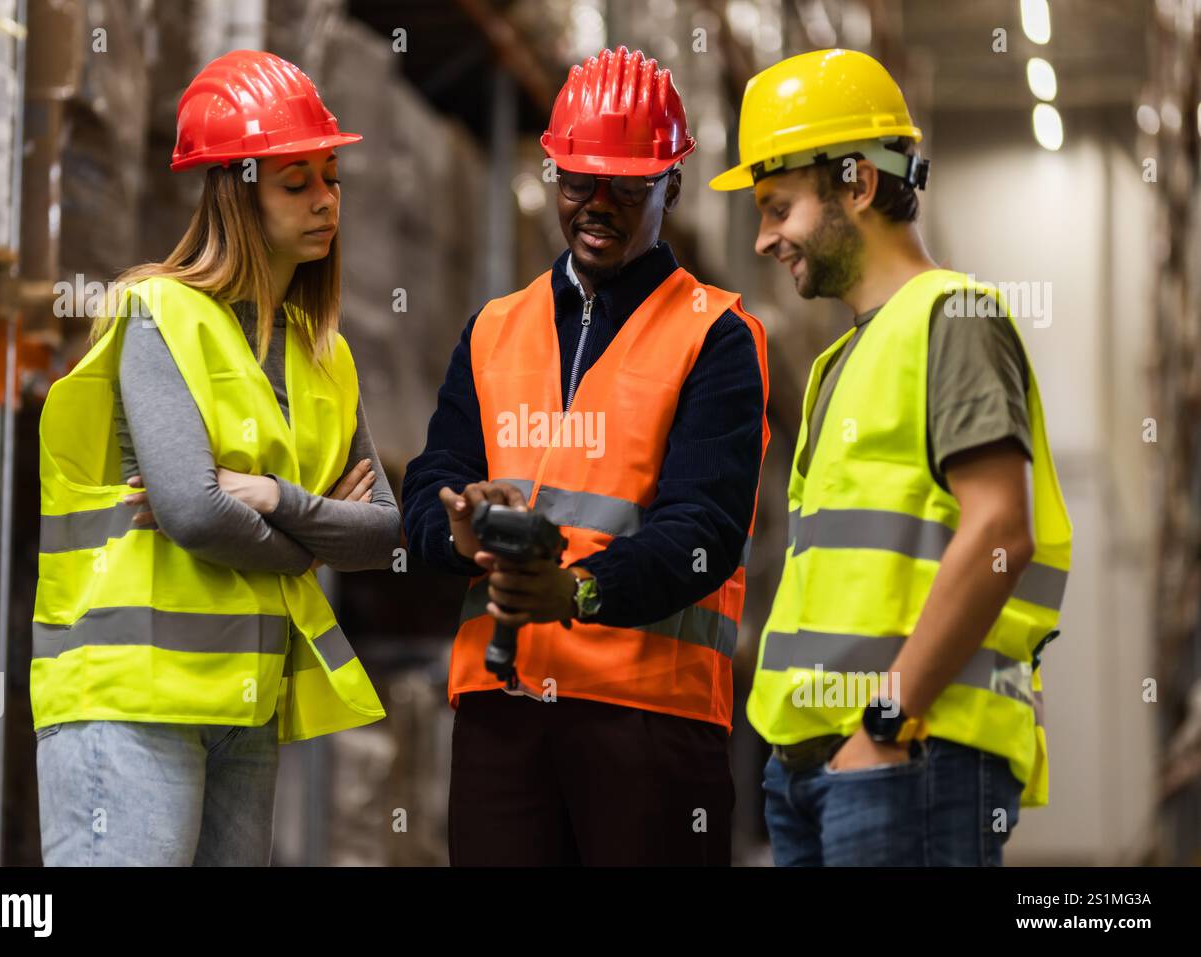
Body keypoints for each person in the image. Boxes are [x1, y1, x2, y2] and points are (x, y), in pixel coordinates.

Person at [402, 45, 770, 866]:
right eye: (577, 182)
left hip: (651, 726)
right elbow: (429, 483)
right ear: (551, 173)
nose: (596, 205)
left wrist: (578, 587)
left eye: (626, 185)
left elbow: (705, 527)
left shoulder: (715, 336)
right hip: (502, 716)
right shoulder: (494, 327)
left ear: (671, 183)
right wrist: (455, 529)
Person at [31, 49, 399, 866]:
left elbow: (383, 535)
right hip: (128, 702)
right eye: (294, 181)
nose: (325, 200)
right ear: (237, 190)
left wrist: (267, 495)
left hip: (246, 705)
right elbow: (195, 512)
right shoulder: (158, 312)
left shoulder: (323, 354)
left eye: (331, 177)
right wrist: (310, 533)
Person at [710, 48, 1073, 866]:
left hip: (910, 754)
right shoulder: (842, 361)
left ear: (858, 183)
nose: (766, 239)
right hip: (816, 764)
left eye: (779, 208)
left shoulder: (954, 317)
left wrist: (887, 719)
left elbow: (999, 531)